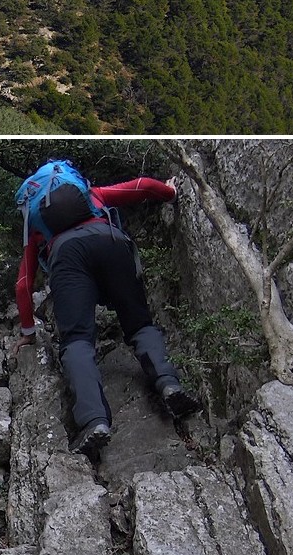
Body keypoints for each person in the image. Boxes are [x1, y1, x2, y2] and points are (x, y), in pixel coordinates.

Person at [14, 165, 201, 457]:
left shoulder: (36, 225)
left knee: (77, 340)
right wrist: (170, 192)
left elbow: (24, 283)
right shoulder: (92, 196)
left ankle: (95, 421)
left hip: (67, 257)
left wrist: (28, 331)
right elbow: (141, 186)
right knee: (139, 323)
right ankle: (168, 384)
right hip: (110, 242)